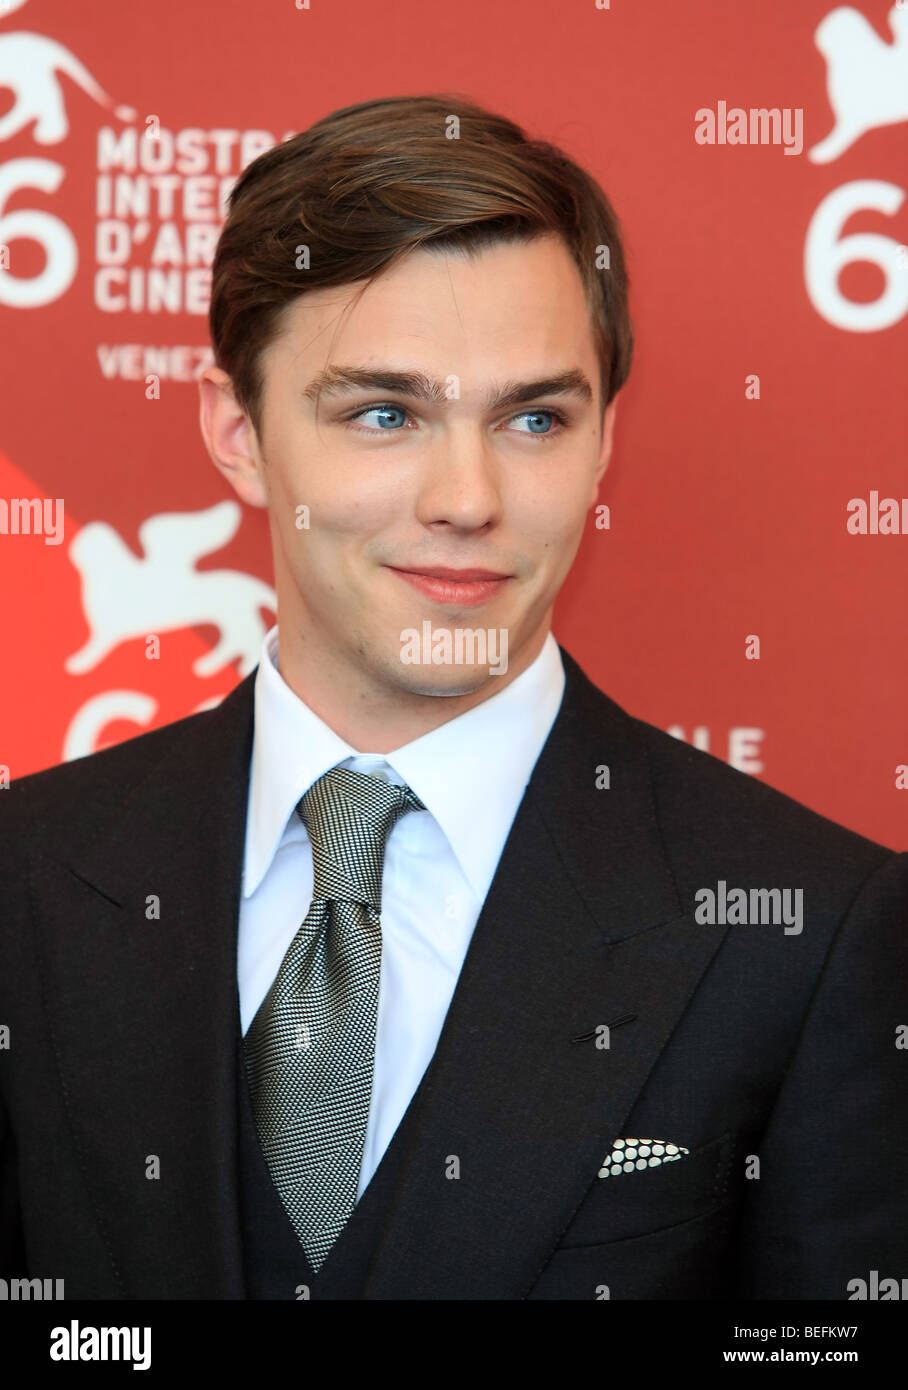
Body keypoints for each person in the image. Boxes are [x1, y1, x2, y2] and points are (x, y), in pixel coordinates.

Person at [1, 93, 905, 1301]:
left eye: (533, 418)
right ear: (237, 431)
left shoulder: (806, 927)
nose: (467, 496)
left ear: (599, 445)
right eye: (385, 413)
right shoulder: (25, 877)